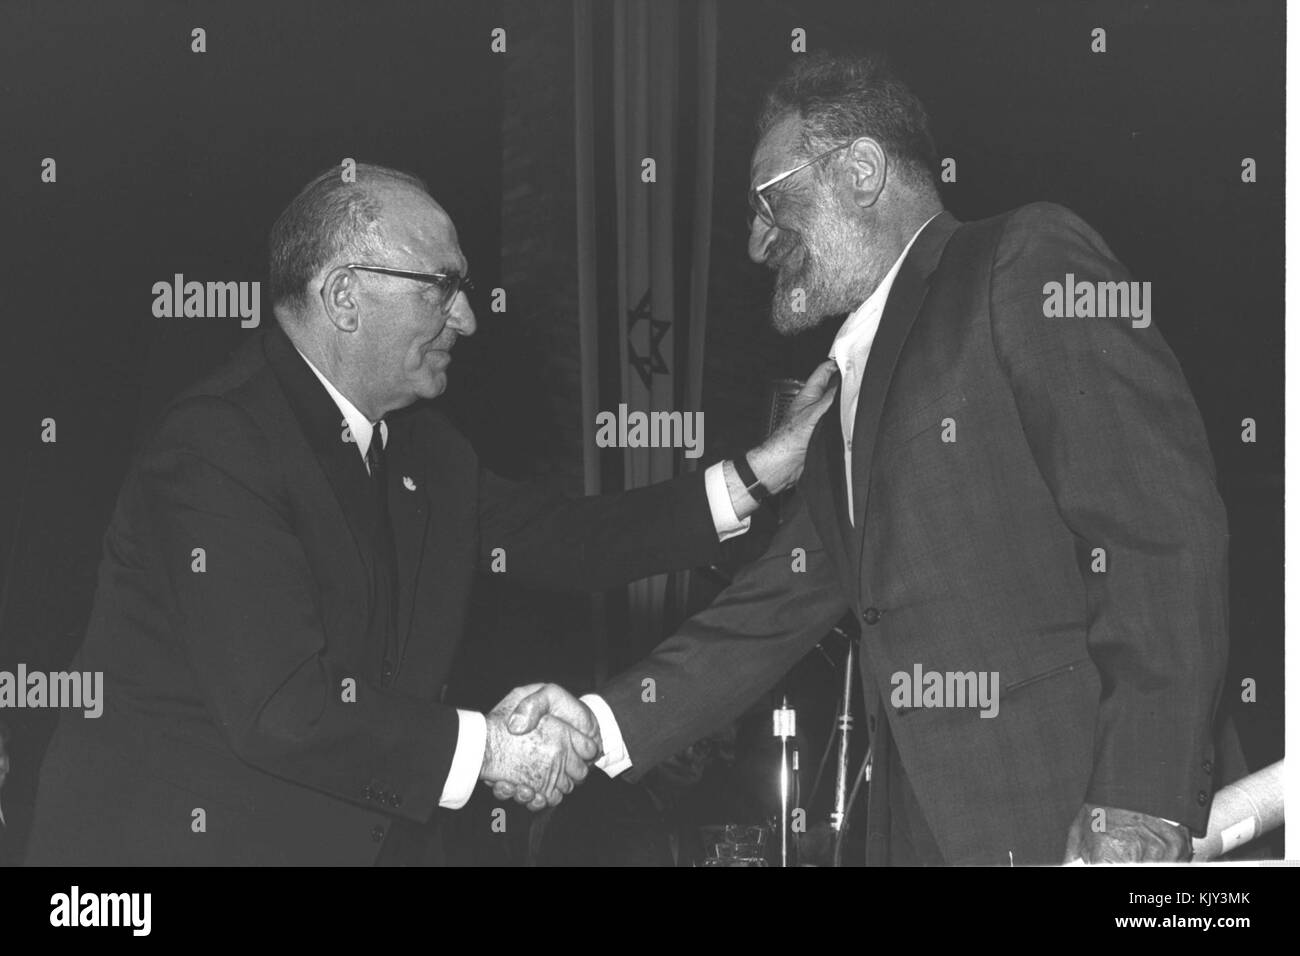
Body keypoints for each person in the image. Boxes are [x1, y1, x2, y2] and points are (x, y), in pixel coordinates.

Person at [497, 52, 1235, 866]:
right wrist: (599, 723)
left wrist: (1136, 797)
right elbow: (769, 612)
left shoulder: (1020, 262)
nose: (753, 241)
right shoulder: (843, 400)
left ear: (860, 170)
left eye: (770, 201)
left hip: (1070, 813)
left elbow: (1160, 532)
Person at [23, 163, 834, 866]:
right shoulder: (214, 448)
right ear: (344, 295)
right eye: (442, 287)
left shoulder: (427, 455)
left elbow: (571, 541)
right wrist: (489, 751)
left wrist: (767, 469)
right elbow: (282, 710)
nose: (469, 317)